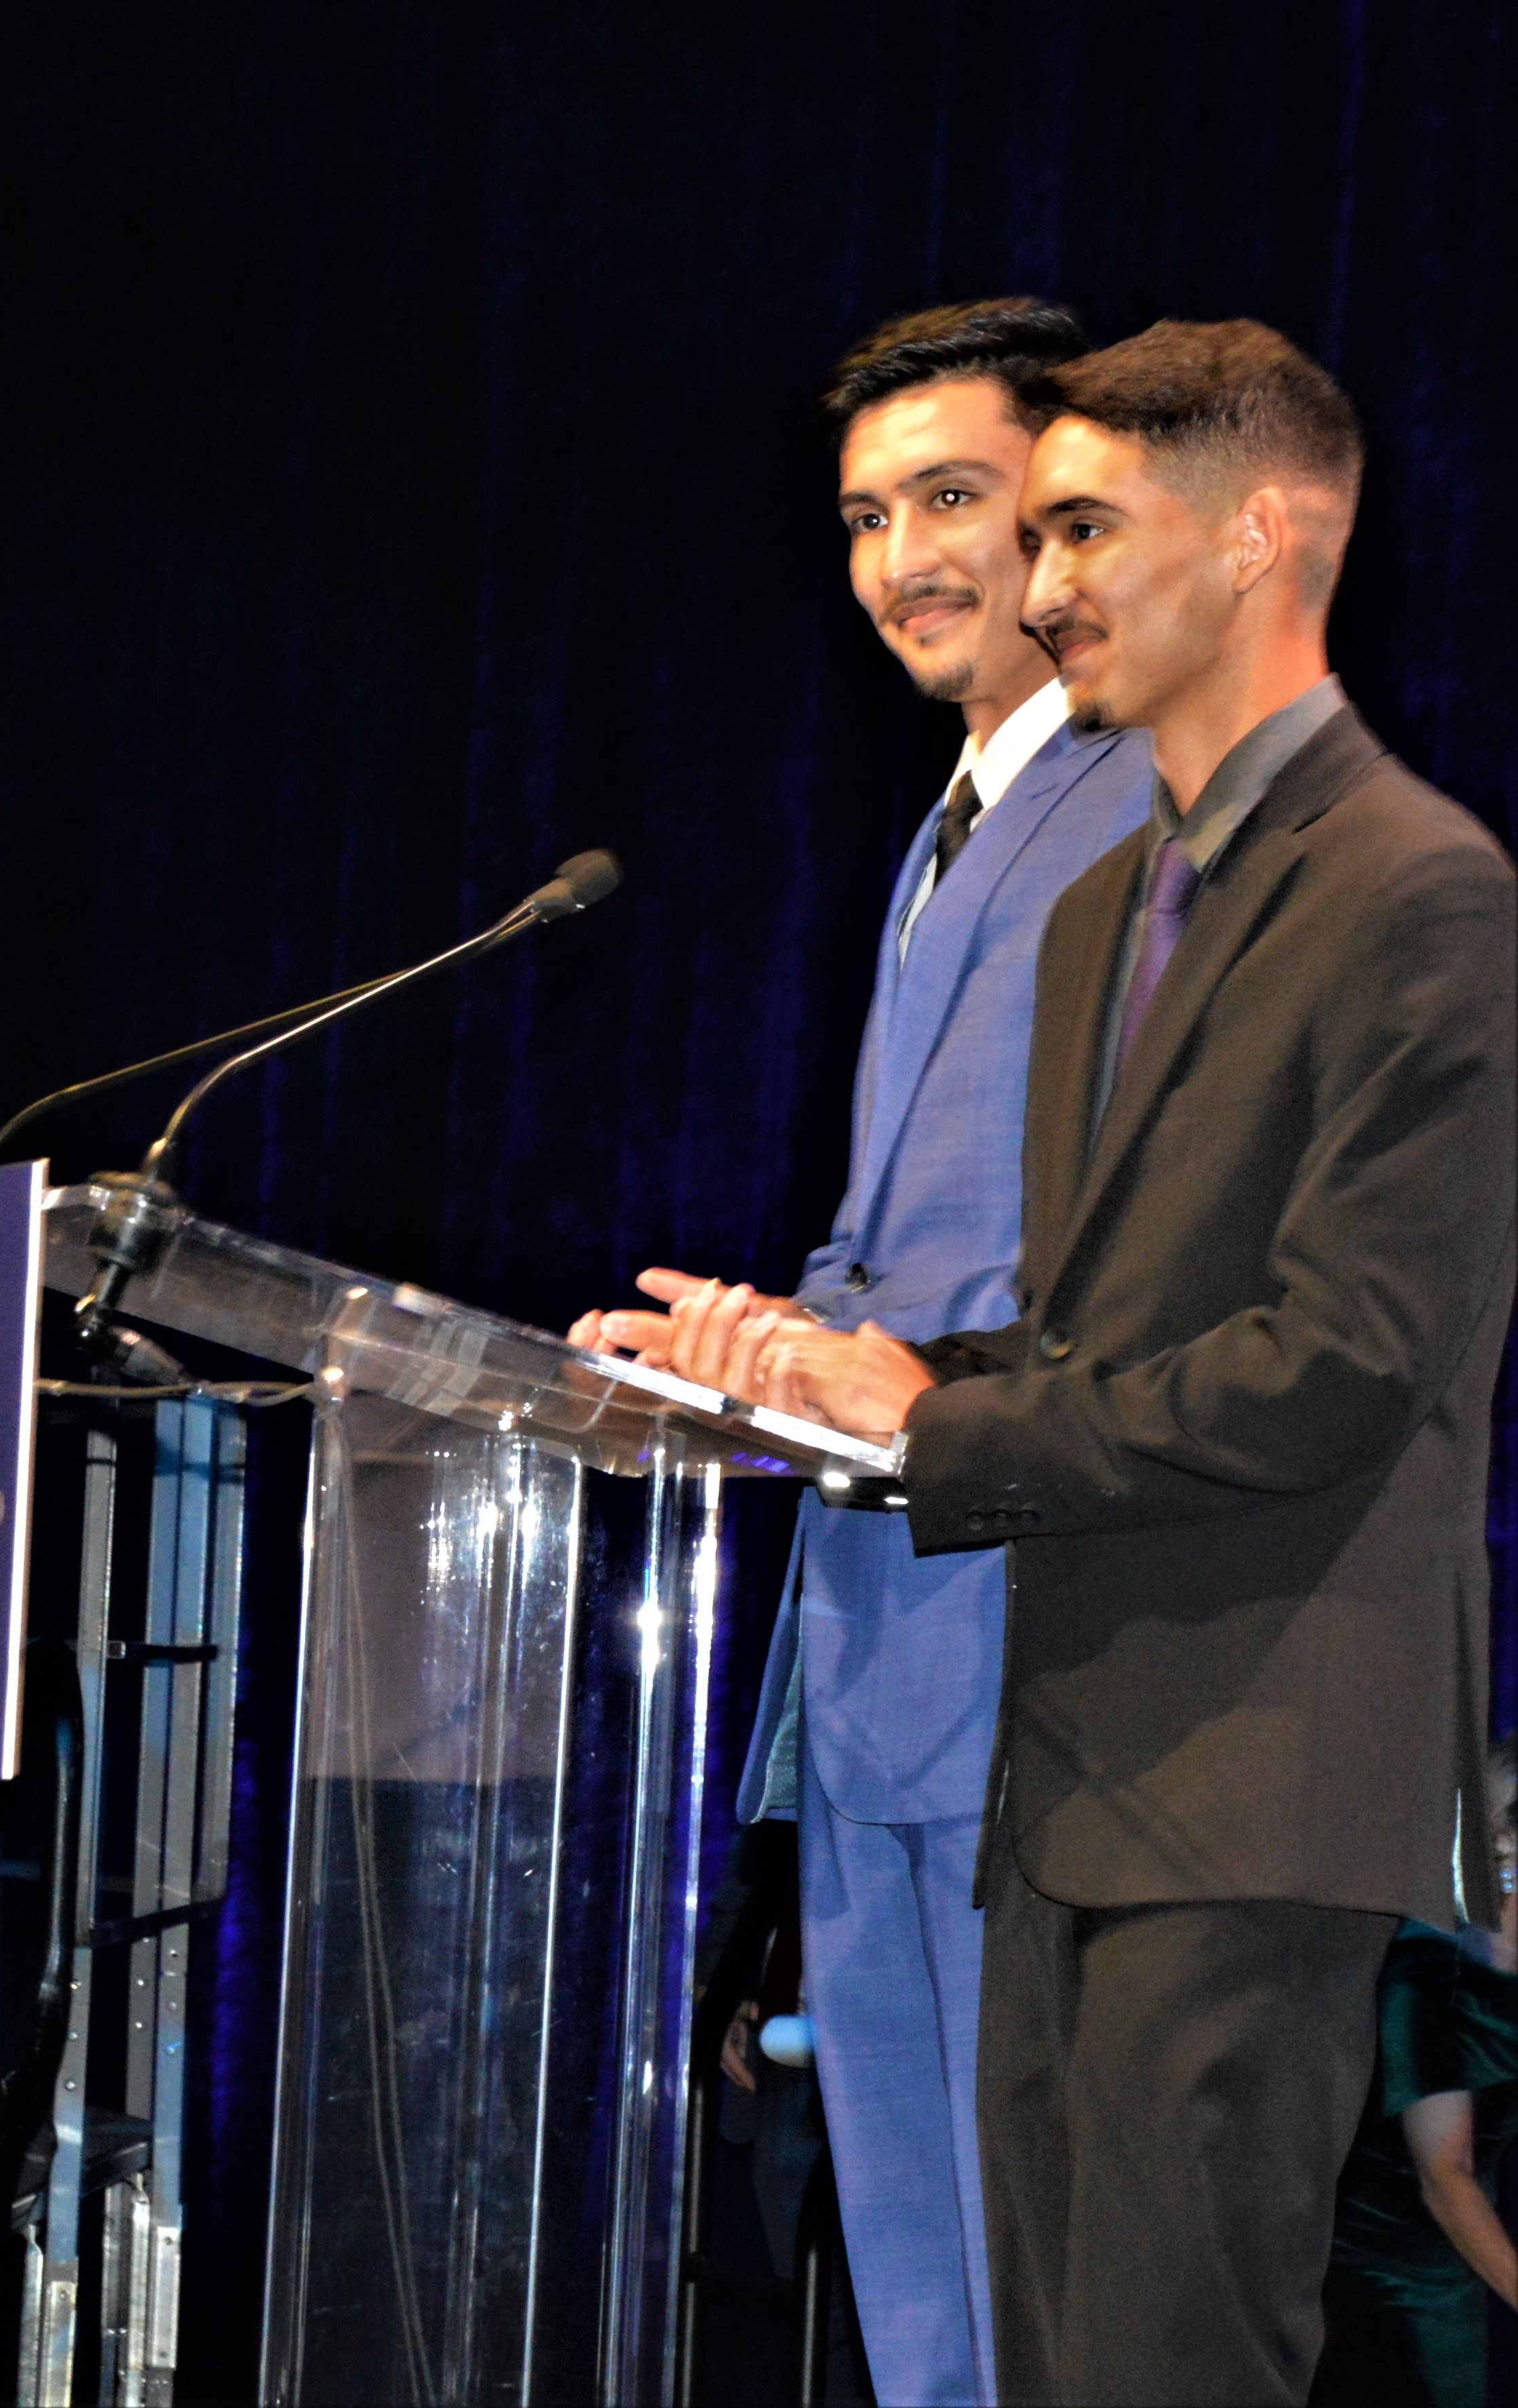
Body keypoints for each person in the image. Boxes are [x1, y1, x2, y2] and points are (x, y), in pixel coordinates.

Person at [649, 320, 1517, 2407]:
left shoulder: (1337, 868)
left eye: (1028, 516)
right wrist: (768, 1362)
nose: (985, 576)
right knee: (986, 2320)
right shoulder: (1036, 871)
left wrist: (915, 1402)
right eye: (881, 517)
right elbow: (1010, 1288)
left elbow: (1301, 1342)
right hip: (975, 1691)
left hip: (1180, 1698)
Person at [569, 299, 1152, 2407]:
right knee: (918, 2269)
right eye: (859, 514)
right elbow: (902, 1236)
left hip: (1049, 1640)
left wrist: (868, 1364)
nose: (895, 554)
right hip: (881, 1637)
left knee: (1043, 2279)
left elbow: (1168, 1254)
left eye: (947, 500)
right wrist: (748, 1350)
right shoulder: (950, 828)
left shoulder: (1154, 806)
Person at [1311, 1739, 1518, 2408]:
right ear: (1506, 1843)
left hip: (1452, 2272)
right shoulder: (1432, 1973)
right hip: (1392, 2287)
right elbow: (1443, 2176)